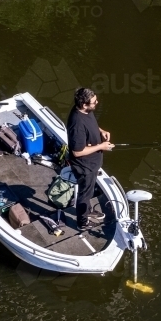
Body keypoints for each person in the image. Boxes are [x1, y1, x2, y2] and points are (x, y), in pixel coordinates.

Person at [66, 87, 113, 231]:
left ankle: (88, 211)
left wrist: (102, 131)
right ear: (84, 104)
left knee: (89, 190)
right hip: (84, 166)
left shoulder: (86, 111)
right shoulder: (77, 124)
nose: (96, 103)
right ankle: (82, 222)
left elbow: (92, 125)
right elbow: (77, 152)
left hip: (93, 163)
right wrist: (101, 147)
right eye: (93, 102)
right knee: (84, 194)